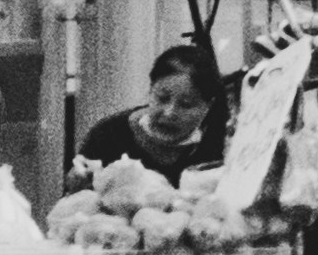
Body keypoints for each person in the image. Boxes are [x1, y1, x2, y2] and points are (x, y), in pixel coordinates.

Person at [79, 42, 225, 186]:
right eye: (162, 98)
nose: (169, 113)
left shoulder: (218, 145)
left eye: (186, 105)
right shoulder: (108, 135)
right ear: (150, 90)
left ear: (208, 106)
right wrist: (79, 180)